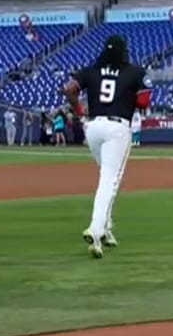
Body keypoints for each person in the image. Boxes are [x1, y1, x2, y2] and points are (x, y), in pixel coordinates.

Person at [63, 35, 152, 259]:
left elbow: (70, 89)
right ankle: (96, 229)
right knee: (109, 180)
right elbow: (143, 102)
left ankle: (107, 226)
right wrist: (130, 94)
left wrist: (79, 111)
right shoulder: (135, 71)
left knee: (109, 177)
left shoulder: (91, 71)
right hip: (117, 128)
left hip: (93, 127)